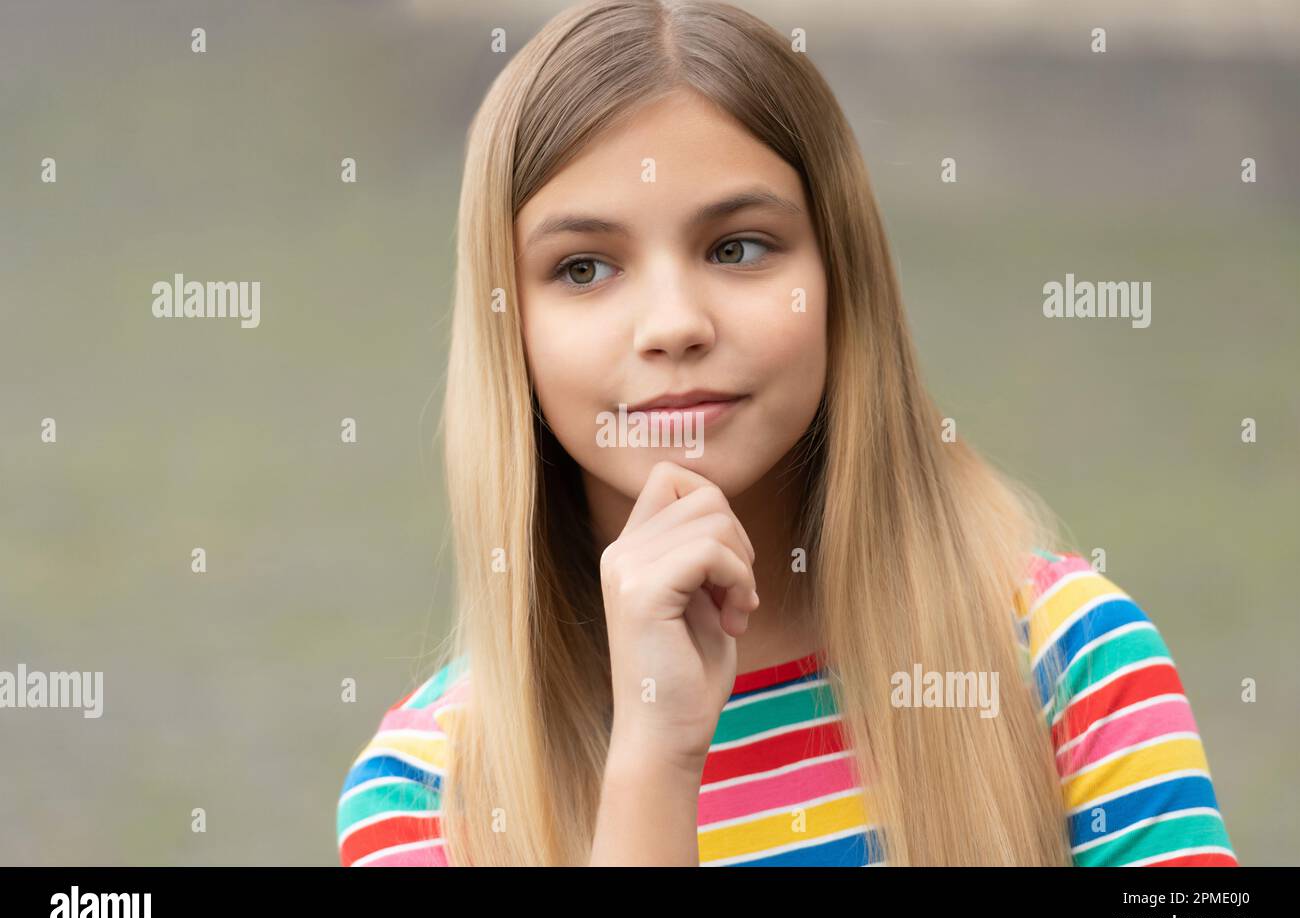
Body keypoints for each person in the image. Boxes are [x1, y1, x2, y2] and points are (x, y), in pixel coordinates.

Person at [336, 0, 1237, 866]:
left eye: (737, 247)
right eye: (583, 267)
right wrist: (653, 759)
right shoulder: (422, 797)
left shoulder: (1069, 661)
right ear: (508, 325)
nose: (673, 324)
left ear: (842, 276)